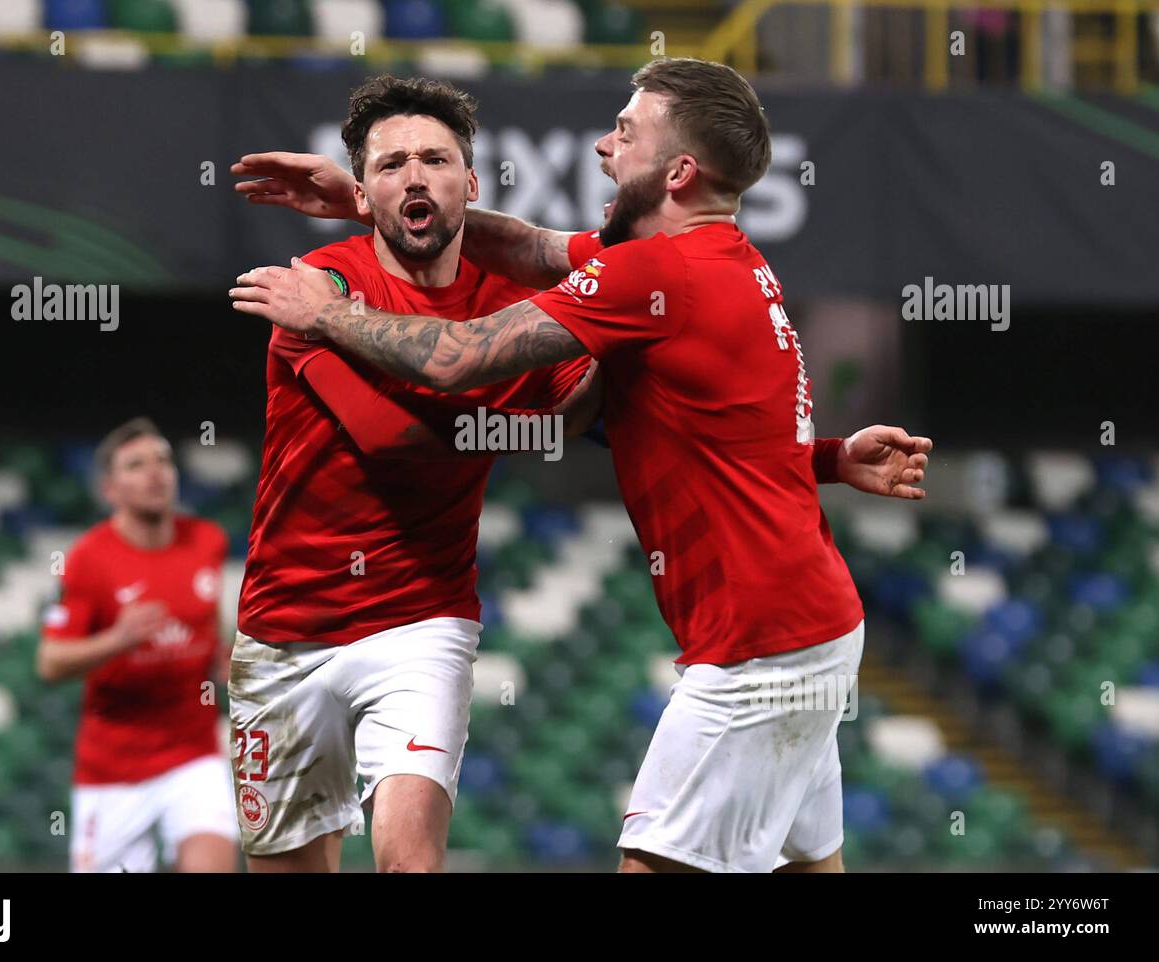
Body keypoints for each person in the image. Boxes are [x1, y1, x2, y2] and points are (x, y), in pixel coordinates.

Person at [230, 58, 934, 873]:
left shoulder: (652, 272)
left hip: (755, 647)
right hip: (810, 625)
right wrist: (832, 459)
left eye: (626, 133)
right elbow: (538, 254)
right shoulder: (719, 260)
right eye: (390, 165)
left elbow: (455, 363)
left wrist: (333, 317)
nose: (604, 146)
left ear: (676, 170)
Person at [36, 417, 238, 873]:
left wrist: (220, 658)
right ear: (110, 489)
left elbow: (209, 624)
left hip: (193, 755)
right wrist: (117, 639)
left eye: (163, 460)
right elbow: (50, 662)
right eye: (136, 465)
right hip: (112, 771)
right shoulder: (88, 559)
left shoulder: (206, 540)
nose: (155, 472)